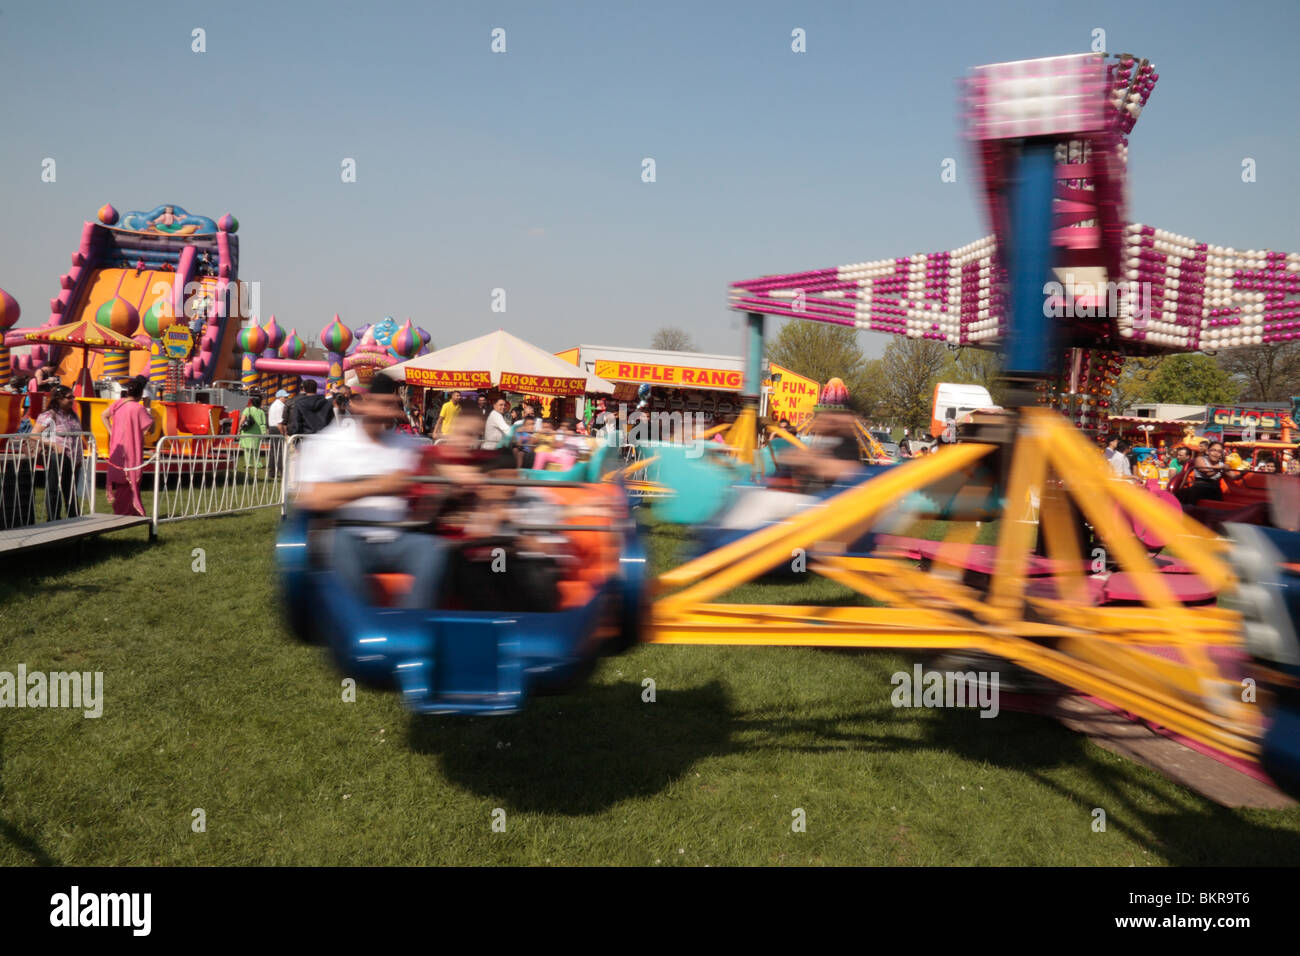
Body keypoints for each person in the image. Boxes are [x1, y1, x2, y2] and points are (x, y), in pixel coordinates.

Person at [293, 375, 449, 610]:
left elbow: (437, 479)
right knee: (338, 546)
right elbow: (313, 498)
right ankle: (360, 623)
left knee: (433, 550)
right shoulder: (331, 443)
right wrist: (379, 485)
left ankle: (408, 624)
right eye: (383, 404)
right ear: (363, 403)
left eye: (394, 406)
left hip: (399, 536)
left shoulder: (408, 446)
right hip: (348, 535)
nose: (388, 413)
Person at [31, 384, 85, 520]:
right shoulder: (49, 415)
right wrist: (53, 444)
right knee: (55, 489)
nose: (72, 399)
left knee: (71, 491)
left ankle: (74, 519)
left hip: (74, 460)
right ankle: (54, 519)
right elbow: (34, 434)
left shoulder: (73, 415)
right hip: (58, 457)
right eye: (69, 397)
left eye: (73, 397)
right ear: (59, 399)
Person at [102, 376, 153, 516]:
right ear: (141, 393)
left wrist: (111, 431)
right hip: (131, 448)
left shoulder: (118, 404)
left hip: (117, 446)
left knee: (121, 481)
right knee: (131, 480)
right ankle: (130, 511)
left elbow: (103, 415)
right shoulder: (139, 408)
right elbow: (149, 429)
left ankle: (124, 510)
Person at [1177, 440, 1240, 507]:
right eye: (1213, 450)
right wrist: (1221, 468)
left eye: (1219, 452)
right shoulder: (1200, 459)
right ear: (1207, 451)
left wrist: (1243, 473)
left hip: (1214, 489)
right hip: (1199, 487)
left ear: (1221, 455)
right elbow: (1207, 472)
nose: (1216, 453)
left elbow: (1234, 477)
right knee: (1184, 494)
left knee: (1216, 496)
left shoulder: (1222, 465)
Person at [239, 392, 267, 469]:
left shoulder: (247, 410)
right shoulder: (261, 412)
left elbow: (242, 420)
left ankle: (249, 464)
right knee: (256, 450)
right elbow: (263, 423)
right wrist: (264, 432)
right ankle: (257, 464)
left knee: (247, 450)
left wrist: (239, 428)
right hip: (257, 433)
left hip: (247, 432)